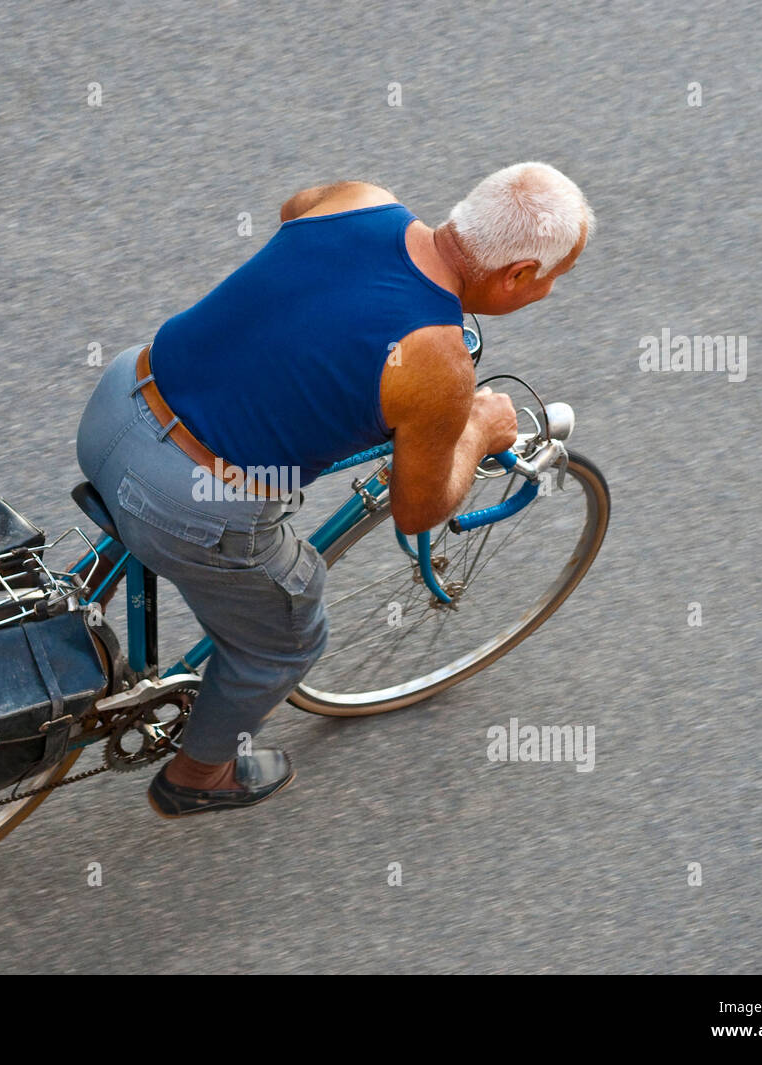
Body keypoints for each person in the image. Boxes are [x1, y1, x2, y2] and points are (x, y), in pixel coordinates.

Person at [75, 162, 595, 818]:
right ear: (517, 273)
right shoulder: (437, 360)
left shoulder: (361, 200)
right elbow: (420, 507)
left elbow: (295, 208)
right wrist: (480, 428)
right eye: (553, 278)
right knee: (286, 636)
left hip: (118, 402)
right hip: (188, 497)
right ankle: (199, 775)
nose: (547, 292)